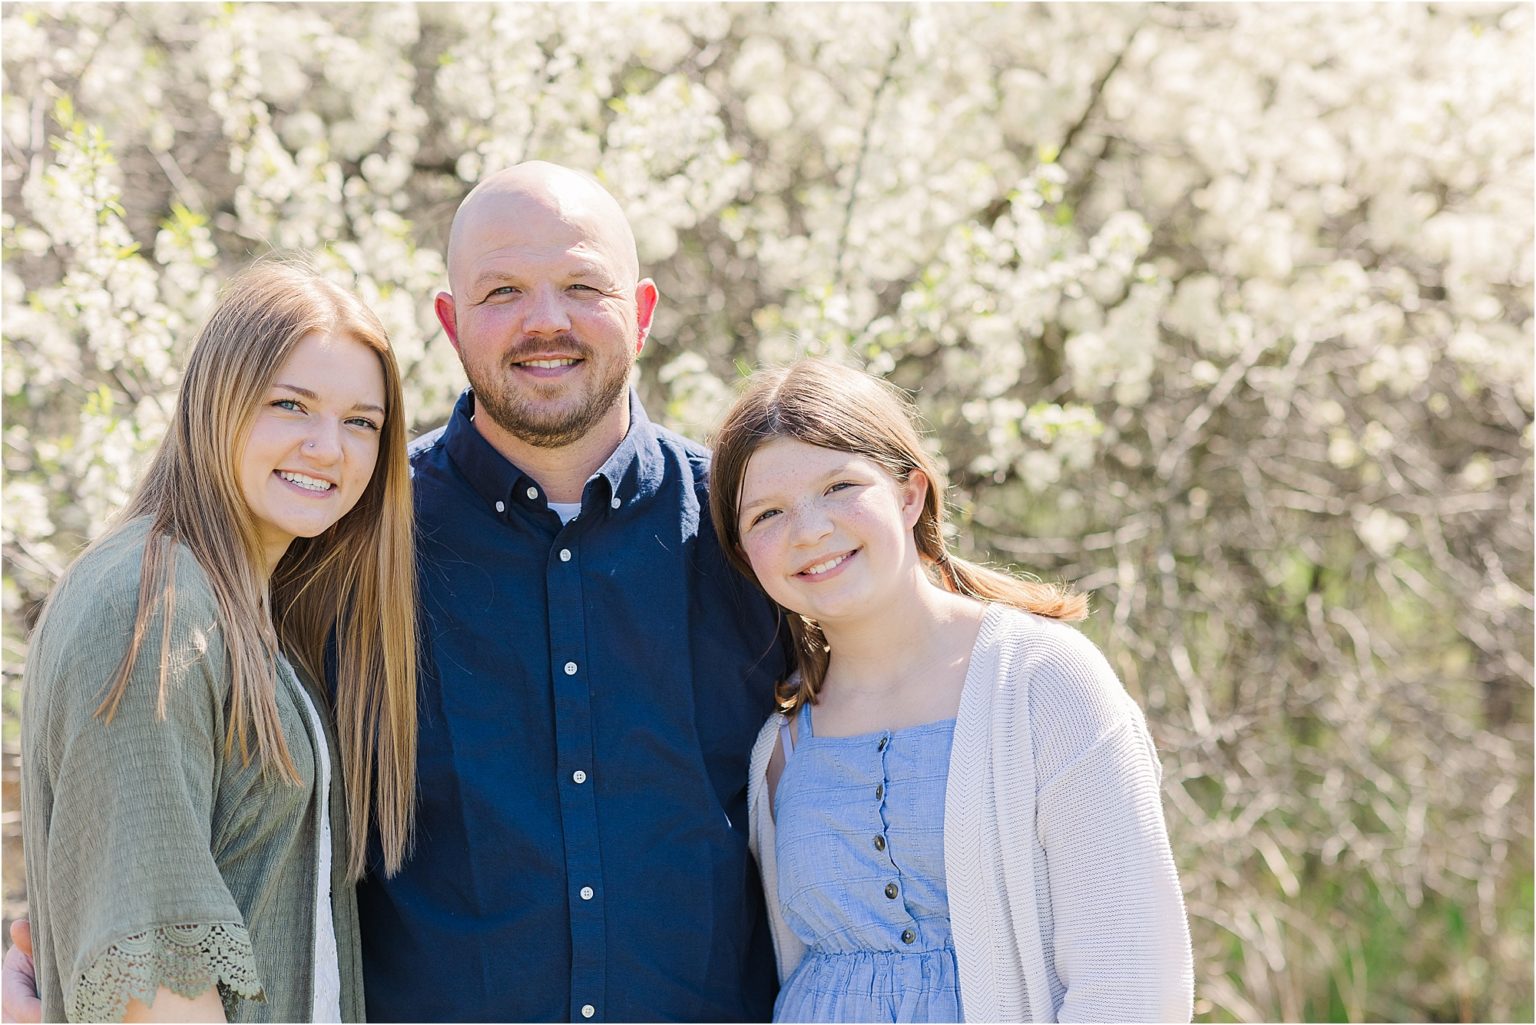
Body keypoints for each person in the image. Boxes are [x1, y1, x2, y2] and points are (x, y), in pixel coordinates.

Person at [351, 162, 788, 1021]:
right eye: (502, 291)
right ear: (449, 322)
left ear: (644, 309)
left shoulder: (755, 533)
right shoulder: (358, 539)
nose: (544, 322)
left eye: (582, 285)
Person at [709, 358, 1194, 1023]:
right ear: (743, 550)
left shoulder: (1042, 685)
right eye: (767, 513)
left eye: (839, 485)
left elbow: (1133, 983)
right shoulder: (780, 746)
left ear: (911, 494)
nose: (809, 530)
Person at [14, 259, 418, 1023]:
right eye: (291, 404)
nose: (328, 448)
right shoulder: (150, 606)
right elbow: (157, 980)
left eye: (361, 421)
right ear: (217, 400)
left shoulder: (250, 607)